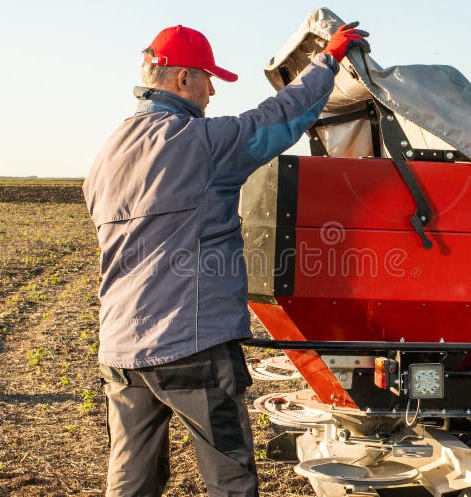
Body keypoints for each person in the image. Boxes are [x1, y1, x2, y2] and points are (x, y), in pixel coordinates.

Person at [83, 21, 368, 497]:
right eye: (208, 79)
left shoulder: (107, 153)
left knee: (131, 480)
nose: (212, 91)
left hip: (120, 346)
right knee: (229, 479)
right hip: (190, 345)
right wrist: (328, 61)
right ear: (182, 79)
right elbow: (279, 119)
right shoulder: (197, 144)